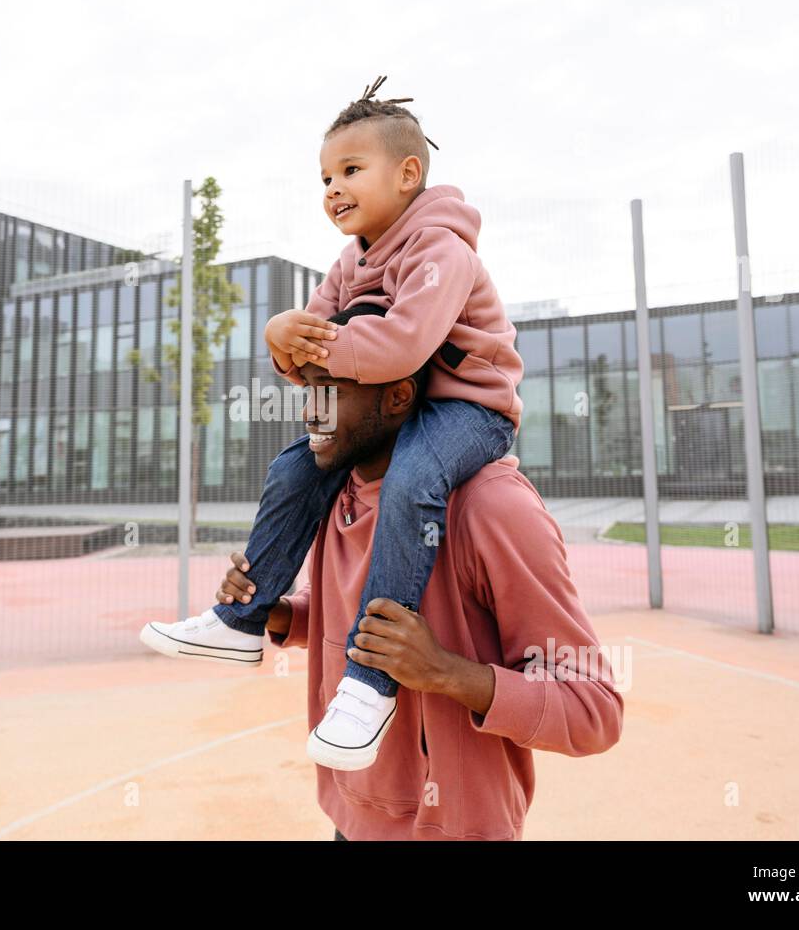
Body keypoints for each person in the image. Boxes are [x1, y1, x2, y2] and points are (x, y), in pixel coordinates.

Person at [140, 76, 524, 771]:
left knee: (411, 482)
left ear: (408, 175)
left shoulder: (442, 250)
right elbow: (316, 349)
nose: (333, 187)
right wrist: (278, 334)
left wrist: (309, 340)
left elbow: (404, 344)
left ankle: (371, 683)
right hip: (393, 409)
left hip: (468, 408)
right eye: (325, 176)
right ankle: (241, 619)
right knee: (293, 466)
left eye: (350, 169)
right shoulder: (351, 262)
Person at [215, 315, 623, 839]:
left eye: (331, 391)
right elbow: (357, 619)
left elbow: (595, 710)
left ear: (398, 396)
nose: (309, 411)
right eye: (307, 389)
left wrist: (446, 672)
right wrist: (279, 612)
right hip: (350, 818)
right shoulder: (337, 493)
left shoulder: (493, 509)